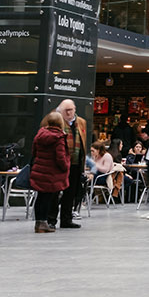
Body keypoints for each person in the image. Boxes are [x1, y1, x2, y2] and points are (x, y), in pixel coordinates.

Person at [30, 111, 69, 234]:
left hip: (39, 170)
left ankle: (38, 223)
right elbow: (60, 157)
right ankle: (44, 223)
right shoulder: (59, 137)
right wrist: (66, 166)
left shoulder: (40, 134)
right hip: (52, 172)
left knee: (40, 197)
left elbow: (34, 152)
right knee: (48, 198)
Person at [56, 98, 87, 229]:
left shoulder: (81, 122)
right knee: (55, 192)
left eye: (71, 109)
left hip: (75, 164)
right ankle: (51, 219)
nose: (69, 113)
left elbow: (83, 142)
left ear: (75, 109)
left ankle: (66, 219)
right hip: (60, 163)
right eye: (66, 110)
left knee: (71, 193)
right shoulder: (56, 121)